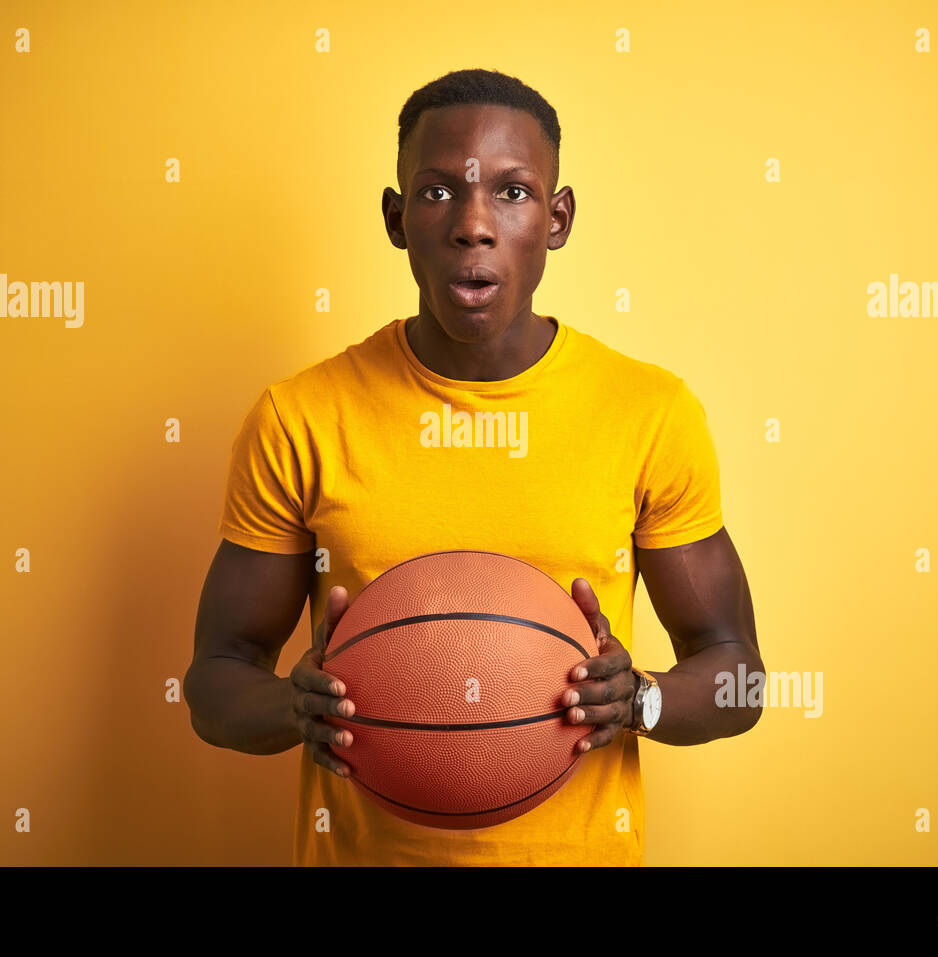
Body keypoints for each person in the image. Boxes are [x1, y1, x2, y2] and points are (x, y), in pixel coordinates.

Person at [185, 67, 764, 866]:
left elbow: (740, 674)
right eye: (436, 194)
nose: (474, 225)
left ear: (558, 220)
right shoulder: (300, 417)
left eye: (514, 192)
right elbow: (214, 679)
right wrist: (294, 705)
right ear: (395, 218)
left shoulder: (649, 411)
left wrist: (640, 700)